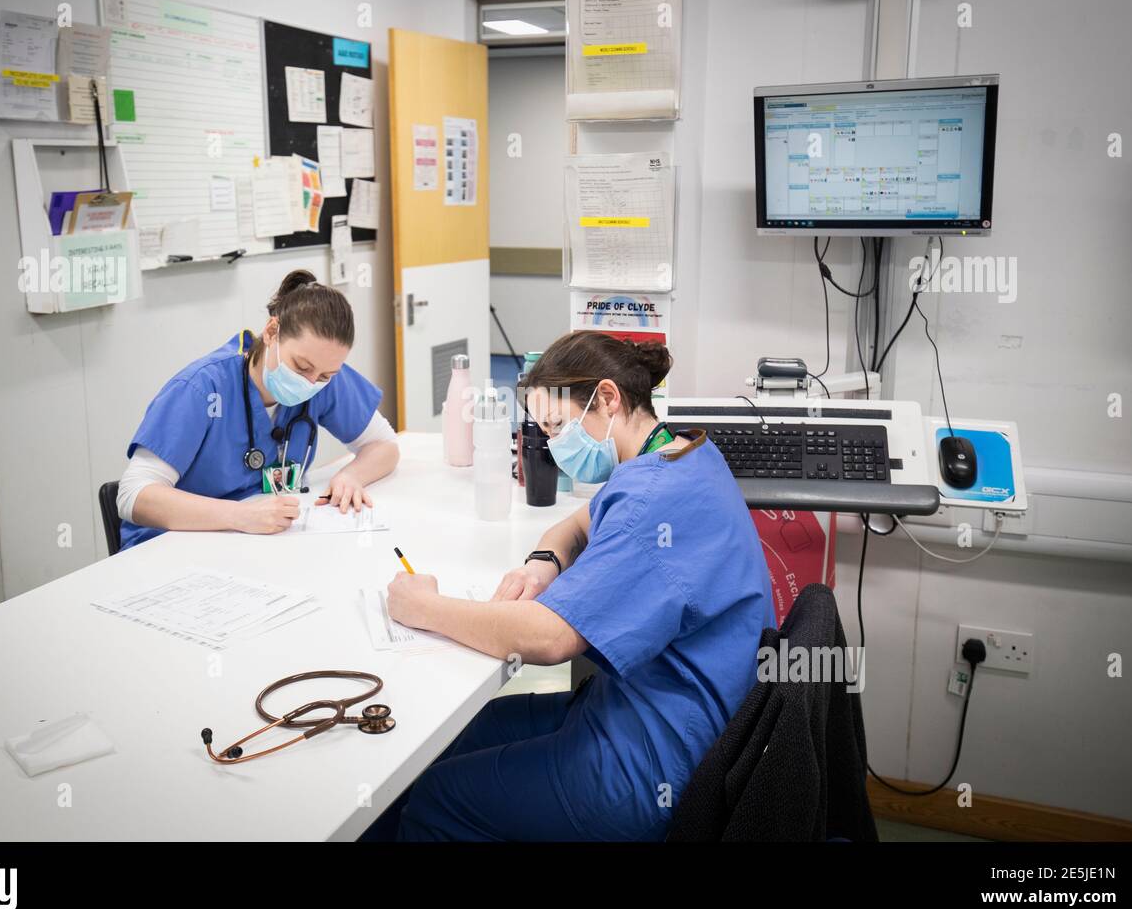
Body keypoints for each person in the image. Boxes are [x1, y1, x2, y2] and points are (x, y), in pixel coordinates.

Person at [372, 331, 773, 841]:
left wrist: (423, 606)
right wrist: (544, 561)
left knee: (438, 797)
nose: (556, 445)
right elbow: (580, 524)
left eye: (559, 425)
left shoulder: (652, 501)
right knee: (455, 739)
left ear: (607, 397)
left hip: (656, 762)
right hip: (641, 708)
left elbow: (550, 639)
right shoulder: (680, 453)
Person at [117, 269, 398, 550]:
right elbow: (134, 495)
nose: (310, 383)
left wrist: (350, 476)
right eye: (301, 367)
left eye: (325, 376)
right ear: (272, 332)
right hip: (173, 546)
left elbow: (384, 445)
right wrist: (239, 516)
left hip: (256, 544)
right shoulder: (202, 387)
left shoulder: (322, 375)